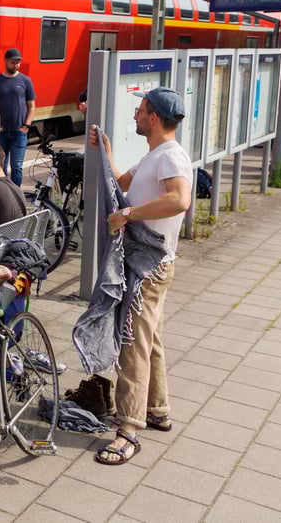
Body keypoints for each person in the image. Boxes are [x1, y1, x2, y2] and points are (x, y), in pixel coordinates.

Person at [88, 87, 191, 466]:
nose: (135, 115)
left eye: (141, 110)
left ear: (154, 118)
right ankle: (158, 409)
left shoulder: (170, 157)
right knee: (151, 337)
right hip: (152, 263)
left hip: (150, 266)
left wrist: (129, 215)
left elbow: (179, 199)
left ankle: (128, 429)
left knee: (132, 343)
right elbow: (122, 183)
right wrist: (107, 151)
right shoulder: (154, 155)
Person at [0, 48, 36, 186]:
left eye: (18, 63)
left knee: (17, 167)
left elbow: (31, 105)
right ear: (6, 61)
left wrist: (26, 126)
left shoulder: (26, 81)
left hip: (19, 132)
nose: (16, 65)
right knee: (0, 166)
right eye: (13, 63)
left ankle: (16, 192)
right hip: (0, 132)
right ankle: (4, 191)